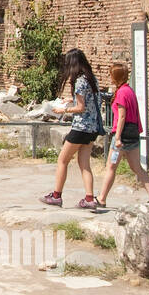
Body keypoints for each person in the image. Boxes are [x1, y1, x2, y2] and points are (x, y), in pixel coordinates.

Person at [41, 49, 104, 207]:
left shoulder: (79, 81)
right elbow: (90, 100)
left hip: (80, 127)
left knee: (62, 160)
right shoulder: (92, 79)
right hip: (92, 127)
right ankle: (89, 199)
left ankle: (56, 196)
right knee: (84, 163)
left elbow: (81, 107)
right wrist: (71, 100)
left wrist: (64, 109)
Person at [96, 63, 149, 208]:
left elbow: (121, 117)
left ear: (115, 77)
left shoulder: (121, 93)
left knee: (111, 167)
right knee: (137, 168)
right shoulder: (129, 91)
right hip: (133, 135)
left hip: (122, 137)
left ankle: (101, 198)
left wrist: (118, 137)